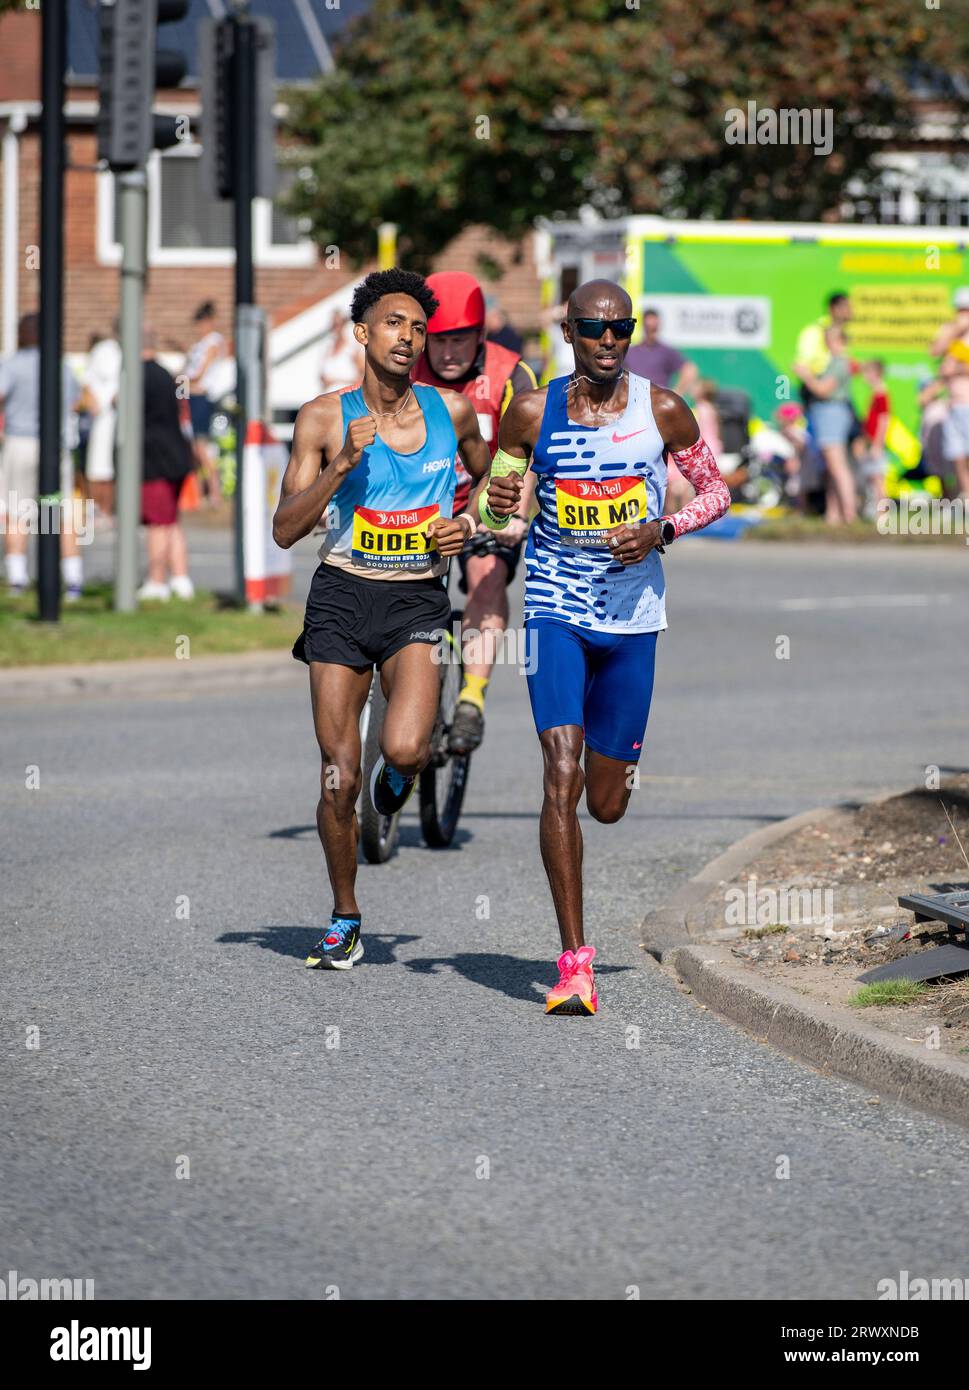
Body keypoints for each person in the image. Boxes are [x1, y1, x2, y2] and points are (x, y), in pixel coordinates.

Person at [484, 280, 730, 1017]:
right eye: (593, 327)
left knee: (607, 803)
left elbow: (716, 492)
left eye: (619, 326)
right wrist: (498, 501)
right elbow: (495, 495)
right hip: (555, 609)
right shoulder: (530, 411)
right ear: (568, 333)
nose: (608, 338)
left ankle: (620, 762)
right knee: (557, 771)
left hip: (632, 620)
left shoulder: (662, 409)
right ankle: (573, 963)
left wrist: (662, 529)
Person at [272, 268, 497, 972]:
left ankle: (392, 792)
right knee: (336, 775)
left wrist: (467, 520)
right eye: (395, 324)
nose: (409, 337)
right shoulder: (320, 417)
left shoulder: (450, 413)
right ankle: (345, 915)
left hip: (415, 602)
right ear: (362, 333)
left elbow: (495, 477)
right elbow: (284, 528)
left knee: (403, 750)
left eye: (419, 328)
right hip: (340, 596)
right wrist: (341, 464)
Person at [411, 270, 537, 752]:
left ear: (479, 334)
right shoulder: (405, 367)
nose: (446, 353)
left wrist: (513, 518)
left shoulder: (512, 373)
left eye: (459, 340)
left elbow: (524, 455)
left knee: (486, 568)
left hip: (489, 504)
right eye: (437, 341)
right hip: (419, 507)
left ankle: (470, 699)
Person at [0, 312, 84, 599]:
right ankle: (72, 579)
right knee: (59, 514)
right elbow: (78, 400)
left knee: (18, 512)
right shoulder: (61, 366)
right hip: (54, 446)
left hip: (20, 443)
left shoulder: (11, 366)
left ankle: (17, 578)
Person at [137, 327, 196, 603]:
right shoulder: (165, 374)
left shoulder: (139, 376)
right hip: (176, 456)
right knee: (171, 521)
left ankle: (157, 581)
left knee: (157, 524)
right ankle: (181, 579)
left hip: (155, 459)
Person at [794, 320, 858, 524]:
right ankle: (834, 513)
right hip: (828, 414)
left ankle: (850, 513)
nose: (826, 343)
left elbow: (823, 389)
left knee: (838, 466)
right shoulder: (834, 361)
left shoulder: (840, 362)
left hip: (832, 413)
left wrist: (806, 376)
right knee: (831, 468)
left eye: (828, 339)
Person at [184, 302, 227, 505]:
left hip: (202, 398)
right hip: (193, 397)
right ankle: (201, 492)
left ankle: (214, 492)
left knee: (202, 447)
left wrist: (182, 379)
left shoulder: (212, 342)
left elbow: (200, 373)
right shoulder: (201, 344)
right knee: (194, 447)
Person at [78, 324, 121, 522]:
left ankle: (108, 509)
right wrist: (94, 403)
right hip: (103, 418)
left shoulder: (126, 350)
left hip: (121, 417)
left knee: (114, 466)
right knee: (99, 465)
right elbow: (87, 380)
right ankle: (99, 508)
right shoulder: (104, 351)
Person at [930, 288, 969, 499]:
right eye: (960, 310)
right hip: (954, 404)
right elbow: (934, 351)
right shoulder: (951, 333)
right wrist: (954, 332)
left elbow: (952, 369)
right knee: (957, 455)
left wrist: (955, 370)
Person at [859, 359, 890, 515]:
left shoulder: (881, 393)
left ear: (876, 374)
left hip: (876, 443)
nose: (864, 377)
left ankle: (882, 511)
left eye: (867, 373)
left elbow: (884, 419)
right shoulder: (875, 393)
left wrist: (878, 443)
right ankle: (875, 509)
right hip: (871, 442)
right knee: (873, 477)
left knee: (878, 478)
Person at [318, 309, 365, 394]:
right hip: (327, 397)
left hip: (347, 396)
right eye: (333, 325)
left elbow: (363, 377)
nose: (336, 327)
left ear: (344, 324)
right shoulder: (328, 347)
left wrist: (335, 381)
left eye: (338, 324)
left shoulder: (353, 347)